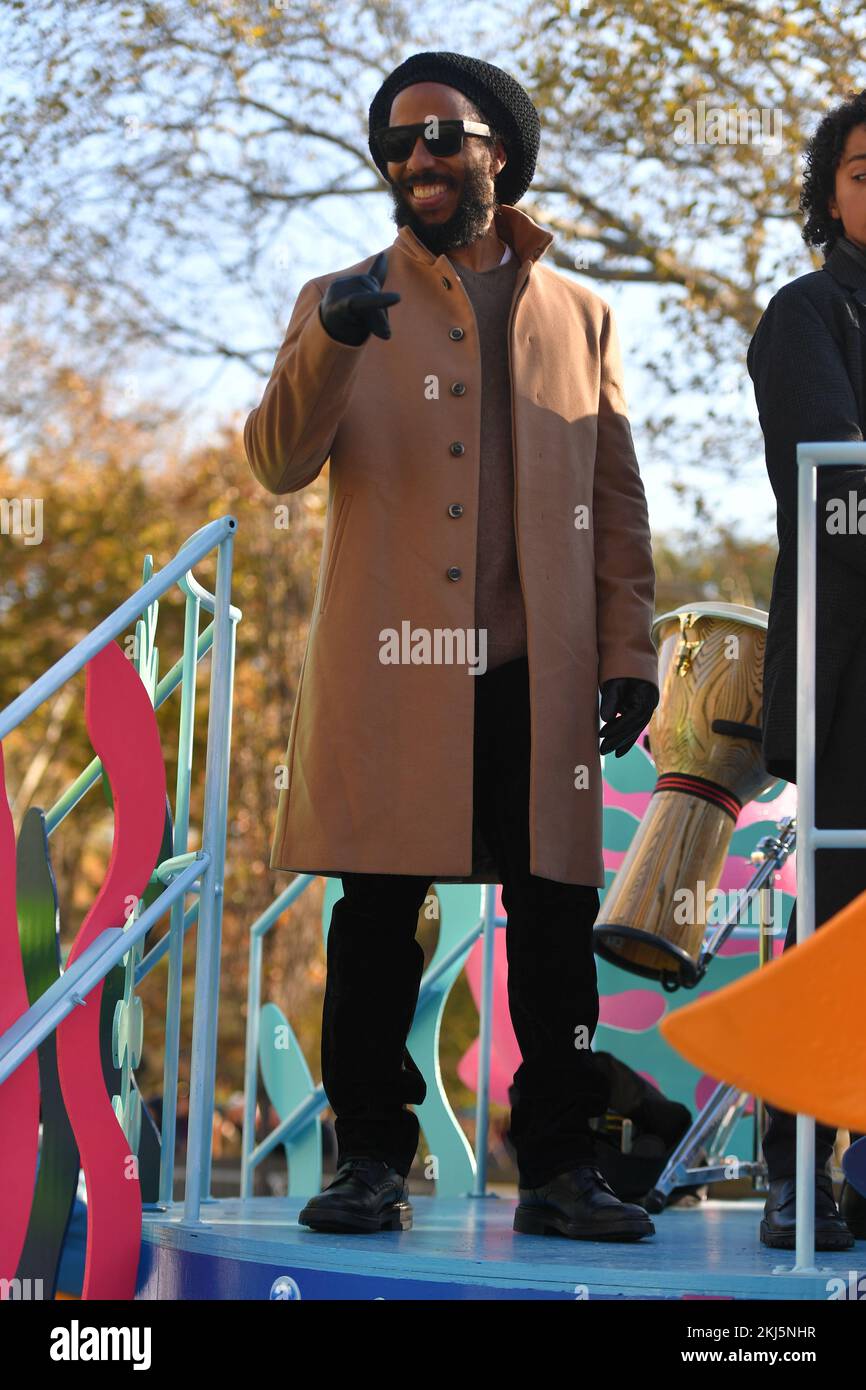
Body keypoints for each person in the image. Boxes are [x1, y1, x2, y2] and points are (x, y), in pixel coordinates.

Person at [244, 51, 659, 1240]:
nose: (416, 156)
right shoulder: (341, 293)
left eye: (441, 133)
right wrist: (328, 339)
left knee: (552, 924)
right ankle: (368, 1156)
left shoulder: (580, 312)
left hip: (542, 664)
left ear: (497, 150)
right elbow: (274, 461)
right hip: (390, 665)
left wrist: (626, 644)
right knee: (376, 918)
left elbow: (616, 499)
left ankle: (565, 1164)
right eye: (395, 140)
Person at [747, 89, 866, 1250]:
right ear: (826, 193)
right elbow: (836, 492)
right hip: (850, 683)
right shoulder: (807, 311)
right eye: (862, 170)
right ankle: (792, 1168)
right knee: (841, 930)